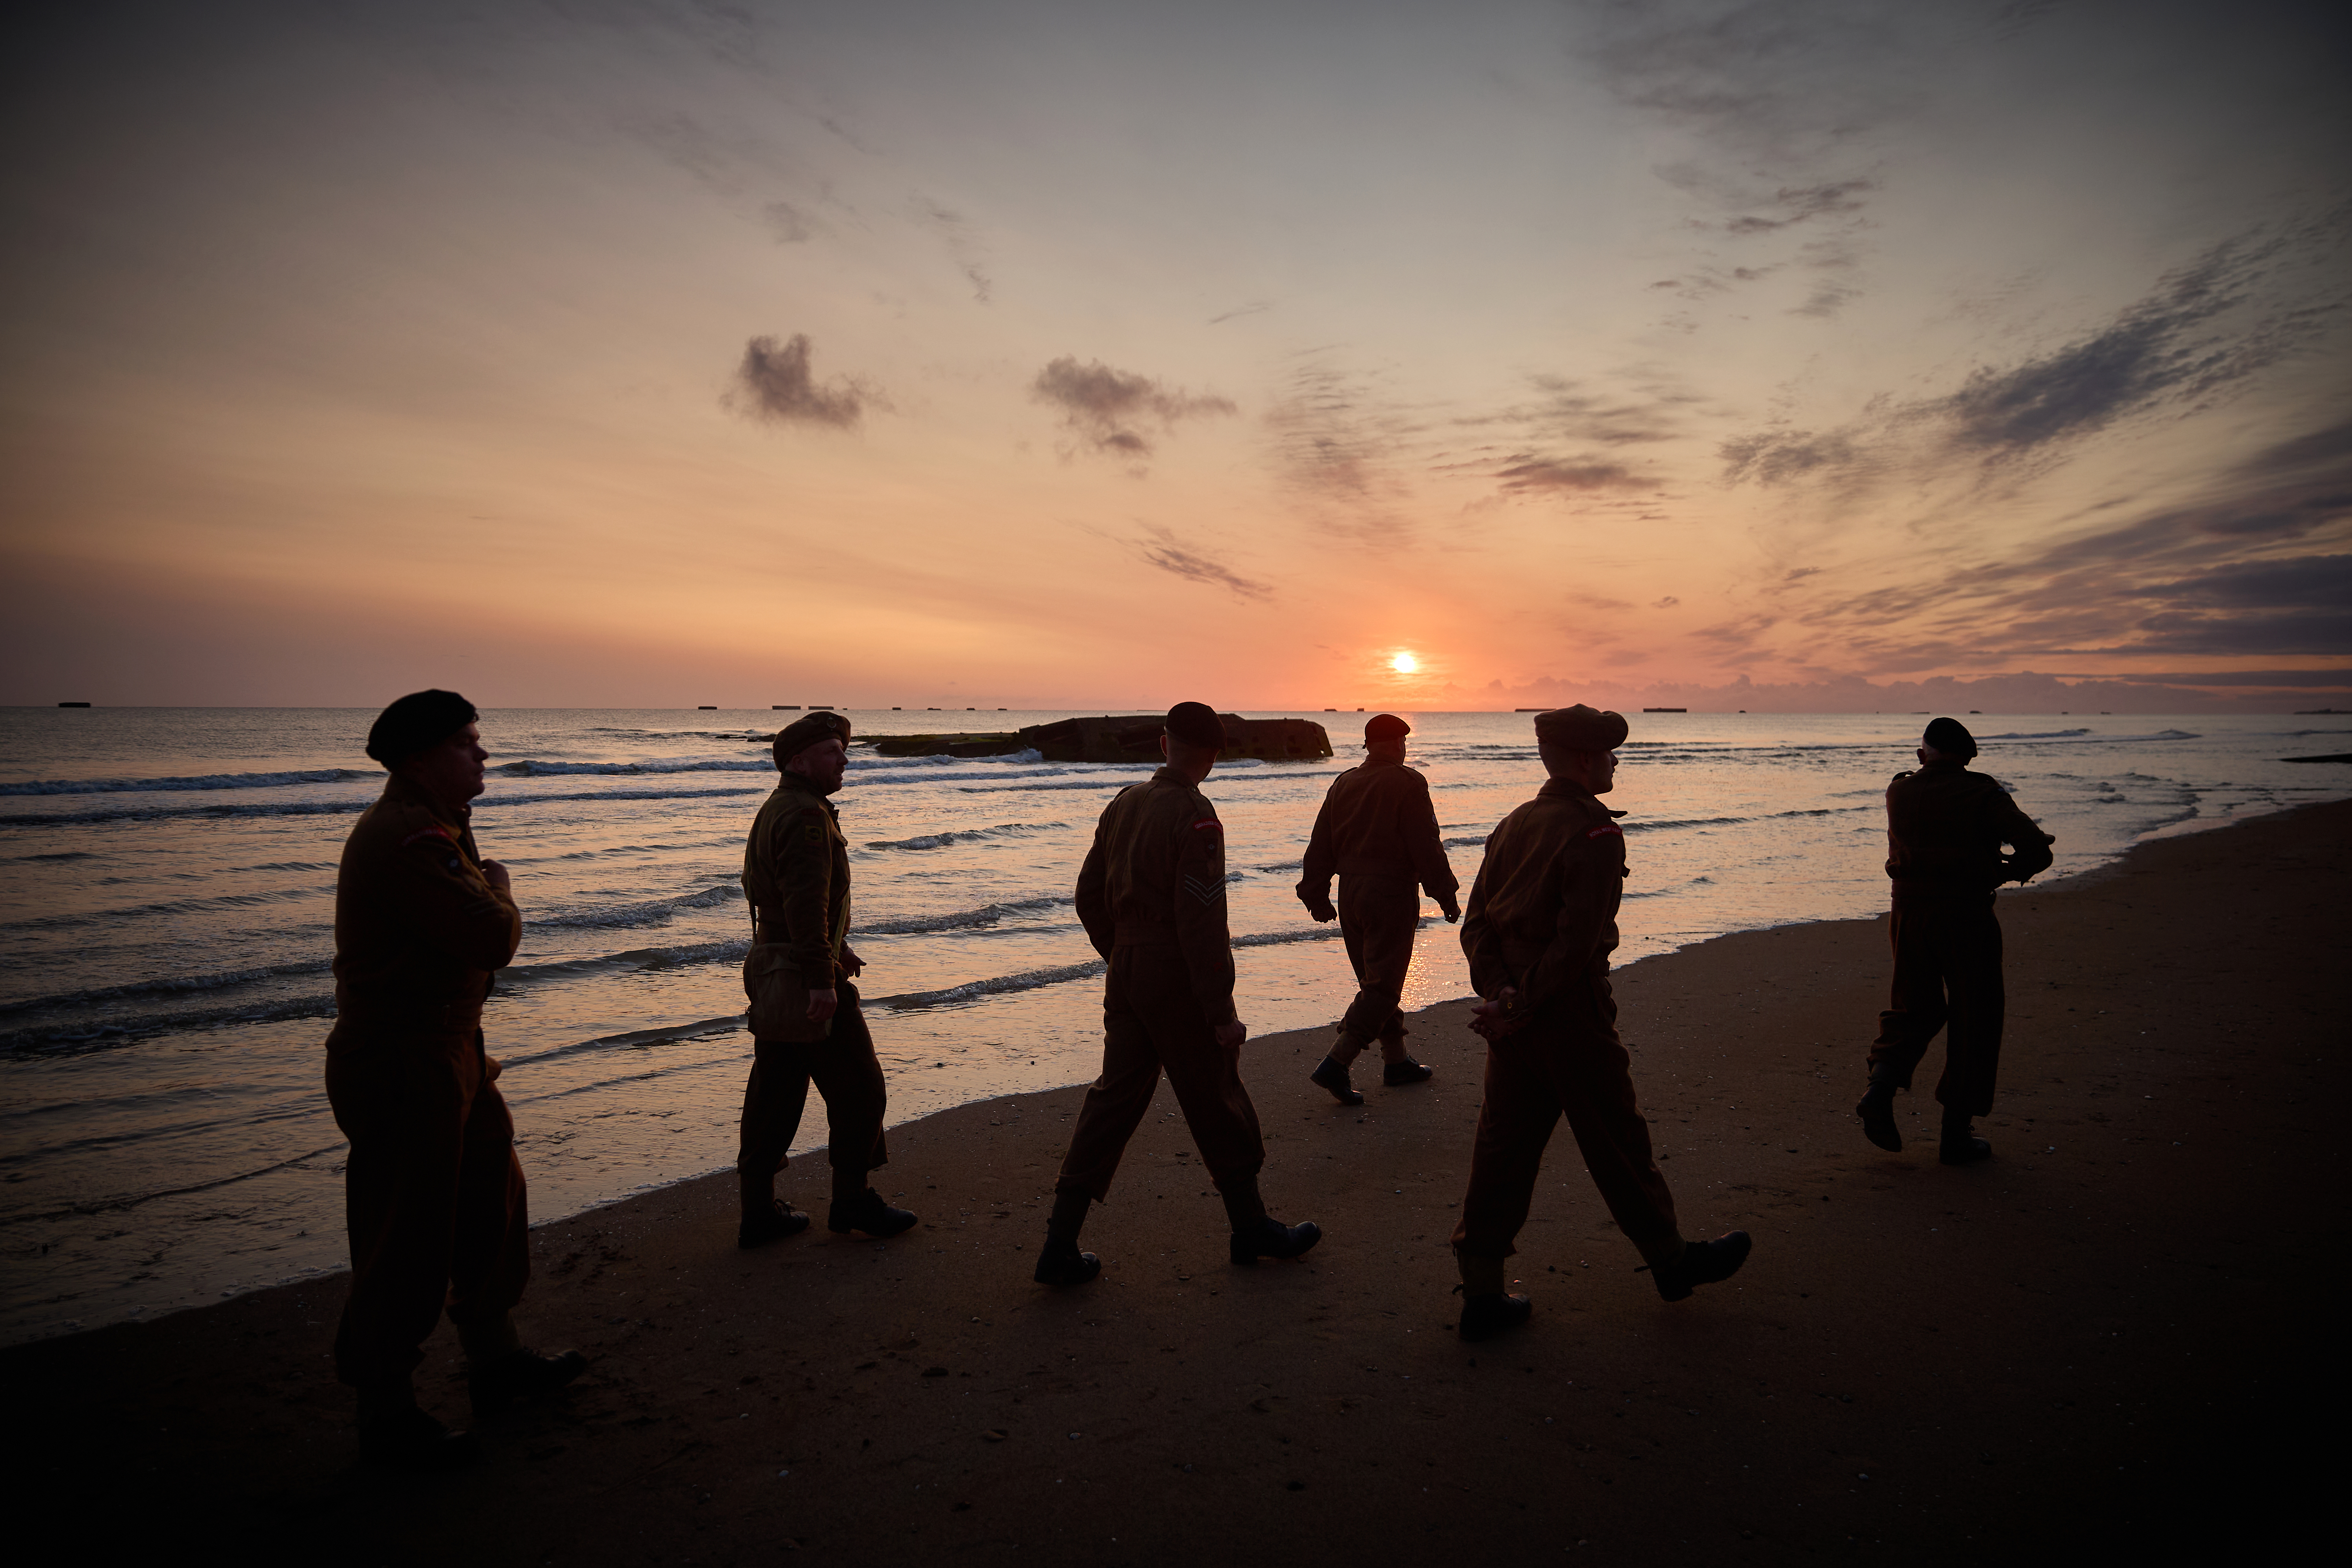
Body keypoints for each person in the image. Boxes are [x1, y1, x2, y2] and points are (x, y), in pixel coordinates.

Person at [325, 690, 584, 1471]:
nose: (482, 753)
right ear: (418, 758)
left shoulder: (440, 825)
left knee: (491, 1203)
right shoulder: (405, 836)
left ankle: (495, 1360)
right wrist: (501, 887)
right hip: (403, 1058)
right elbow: (490, 936)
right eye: (466, 742)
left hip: (451, 1048)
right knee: (405, 1237)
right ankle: (386, 1413)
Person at [1448, 704, 1751, 1341]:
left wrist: (1501, 995)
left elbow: (1476, 925)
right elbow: (1576, 944)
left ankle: (1481, 1290)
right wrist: (1519, 1004)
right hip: (1567, 1011)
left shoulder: (1513, 823)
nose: (1617, 763)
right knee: (1617, 1139)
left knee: (1502, 1151)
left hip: (1515, 1014)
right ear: (1587, 759)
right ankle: (1672, 1261)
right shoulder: (1595, 833)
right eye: (1612, 754)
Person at [1034, 702, 1322, 1287]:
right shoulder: (1196, 816)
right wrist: (1220, 1010)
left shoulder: (1124, 803)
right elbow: (1201, 920)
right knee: (1217, 1095)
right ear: (1214, 756)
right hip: (1175, 974)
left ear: (1165, 744)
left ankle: (1059, 1243)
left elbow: (1087, 894)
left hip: (1127, 968)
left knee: (1112, 1101)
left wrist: (1122, 953)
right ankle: (1251, 1226)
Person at [737, 711, 918, 1247]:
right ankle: (852, 1202)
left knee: (774, 1093)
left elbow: (782, 902)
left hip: (776, 969)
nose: (844, 760)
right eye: (831, 751)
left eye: (843, 750)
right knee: (860, 1088)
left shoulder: (781, 805)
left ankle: (758, 1212)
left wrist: (839, 947)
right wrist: (823, 978)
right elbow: (804, 901)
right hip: (804, 975)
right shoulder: (807, 816)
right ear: (799, 761)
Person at [1855, 716, 2056, 1163]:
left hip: (1908, 911)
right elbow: (2036, 850)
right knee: (1976, 1015)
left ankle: (1879, 1090)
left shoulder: (1898, 791)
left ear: (1922, 754)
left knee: (1913, 1007)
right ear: (1967, 757)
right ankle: (1955, 1134)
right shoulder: (1983, 792)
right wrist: (2003, 871)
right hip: (1966, 913)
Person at [1296, 713, 1458, 1105]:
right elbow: (1426, 844)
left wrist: (1316, 894)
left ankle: (1397, 1060)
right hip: (1390, 892)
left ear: (1368, 746)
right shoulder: (1408, 783)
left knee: (1376, 981)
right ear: (1399, 744)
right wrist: (1445, 893)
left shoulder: (1344, 782)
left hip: (1350, 893)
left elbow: (1321, 843)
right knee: (1383, 986)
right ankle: (1338, 1060)